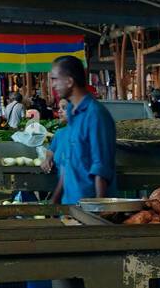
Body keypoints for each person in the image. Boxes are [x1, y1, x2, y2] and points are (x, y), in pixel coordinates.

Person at [47, 54, 116, 205]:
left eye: (55, 79)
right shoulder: (72, 115)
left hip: (88, 209)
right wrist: (55, 201)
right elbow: (67, 165)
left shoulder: (95, 115)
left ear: (70, 81)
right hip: (69, 206)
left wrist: (99, 212)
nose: (52, 85)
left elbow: (101, 168)